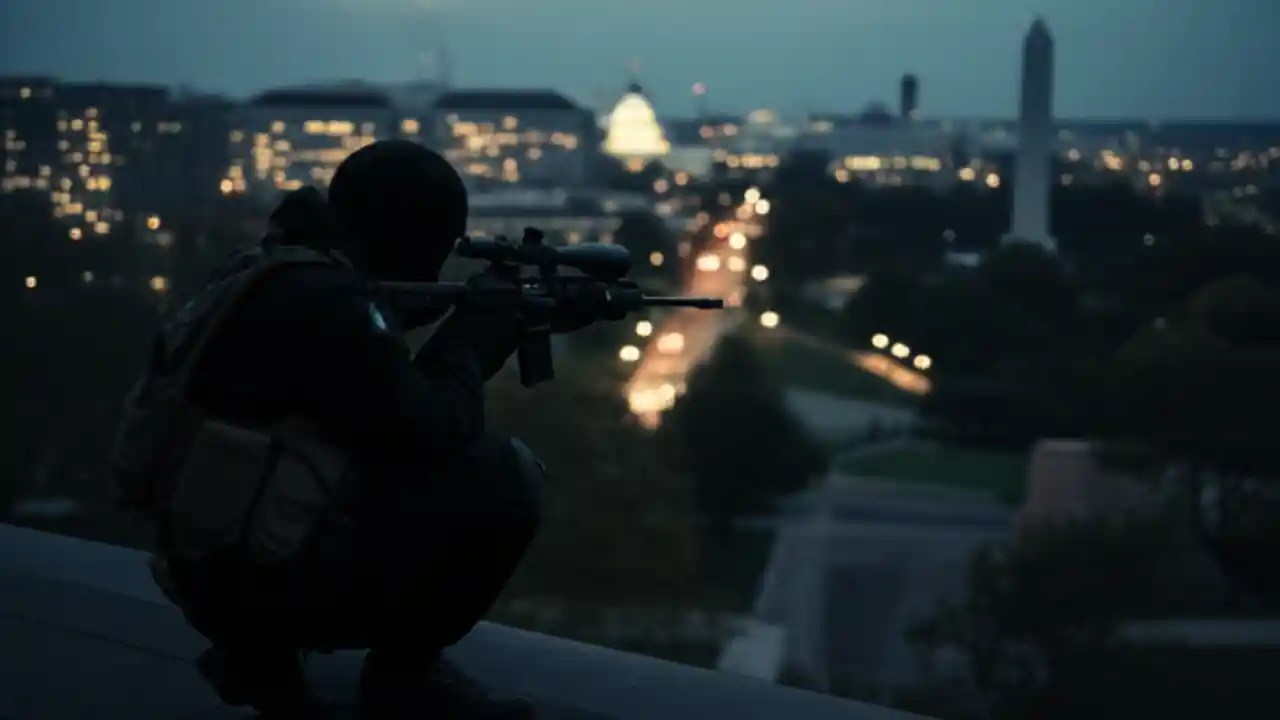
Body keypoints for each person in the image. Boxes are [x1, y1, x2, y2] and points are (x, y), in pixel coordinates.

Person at [120, 141, 580, 718]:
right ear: (412, 237)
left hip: (203, 568)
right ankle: (403, 679)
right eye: (439, 245)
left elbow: (366, 359)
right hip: (261, 581)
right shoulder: (327, 305)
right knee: (505, 476)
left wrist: (489, 314)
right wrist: (474, 339)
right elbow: (434, 433)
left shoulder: (269, 273)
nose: (438, 265)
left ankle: (260, 659)